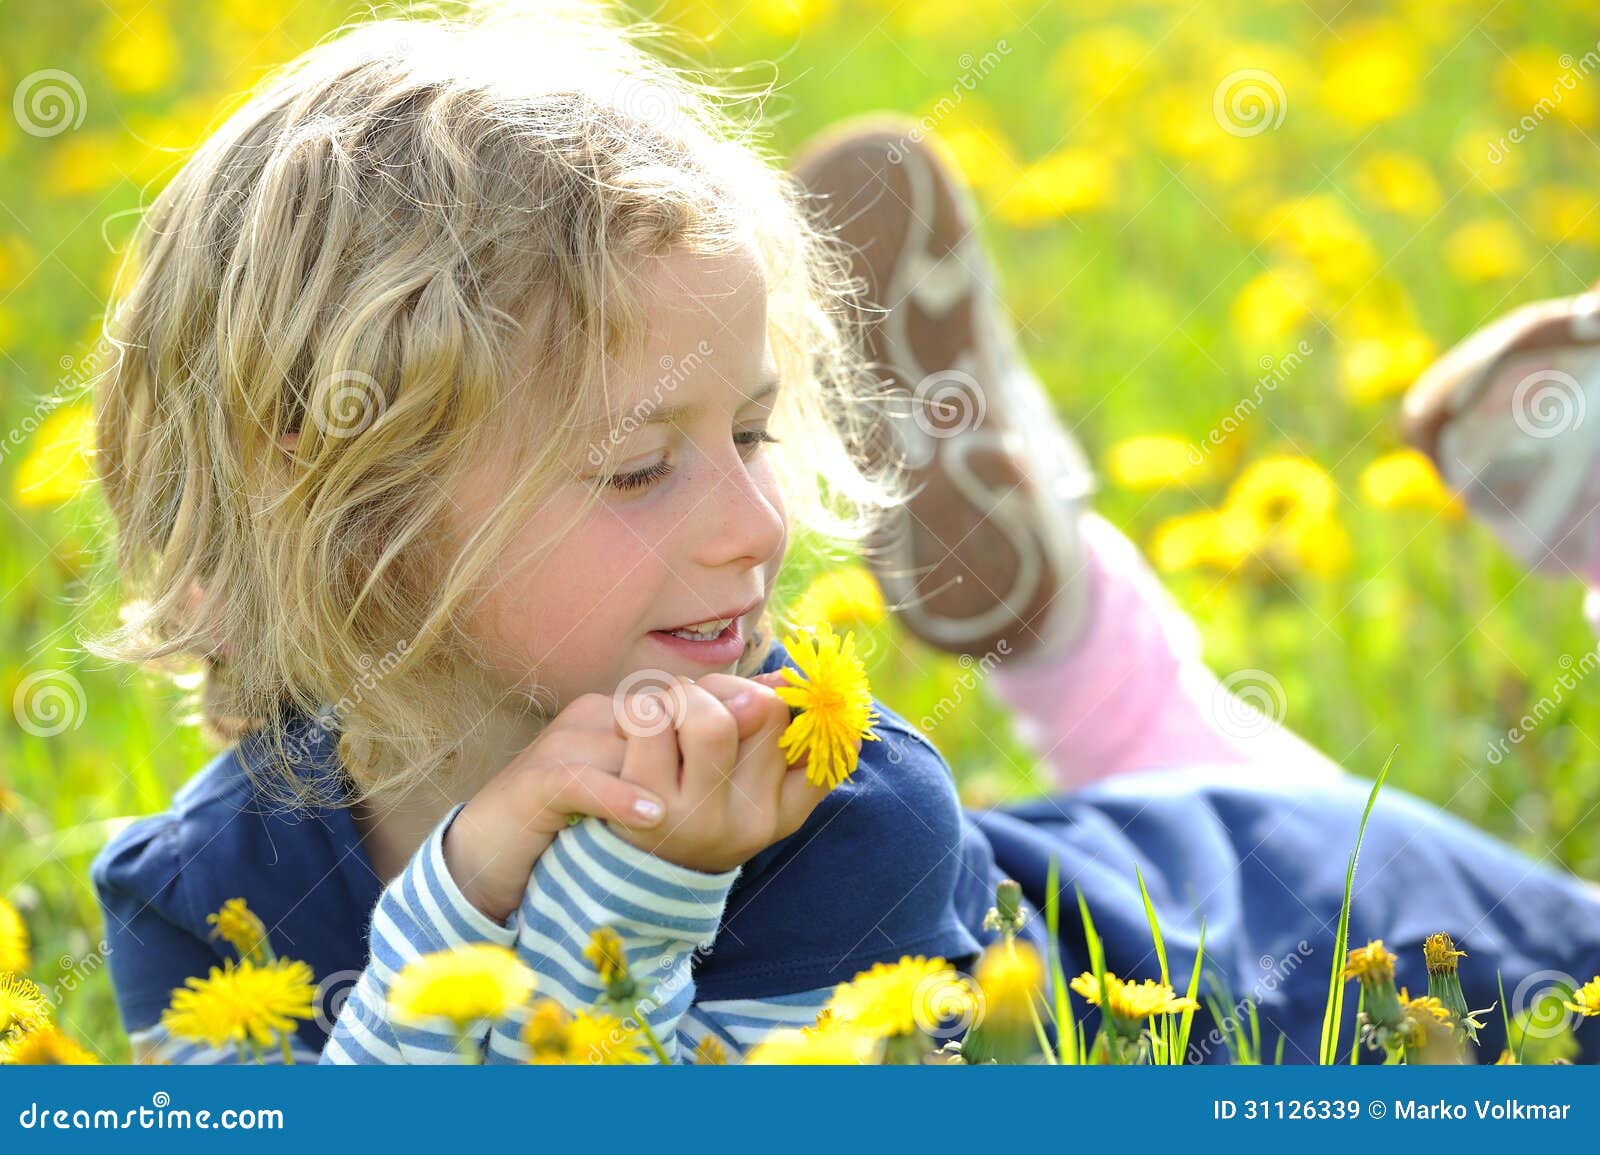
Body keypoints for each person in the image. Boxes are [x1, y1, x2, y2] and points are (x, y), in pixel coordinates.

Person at [88, 3, 1600, 1067]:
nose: (763, 522)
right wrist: (479, 879)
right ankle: (1064, 615)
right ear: (348, 512)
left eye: (752, 432)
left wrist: (636, 895)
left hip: (1344, 944)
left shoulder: (852, 825)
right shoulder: (207, 895)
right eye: (635, 469)